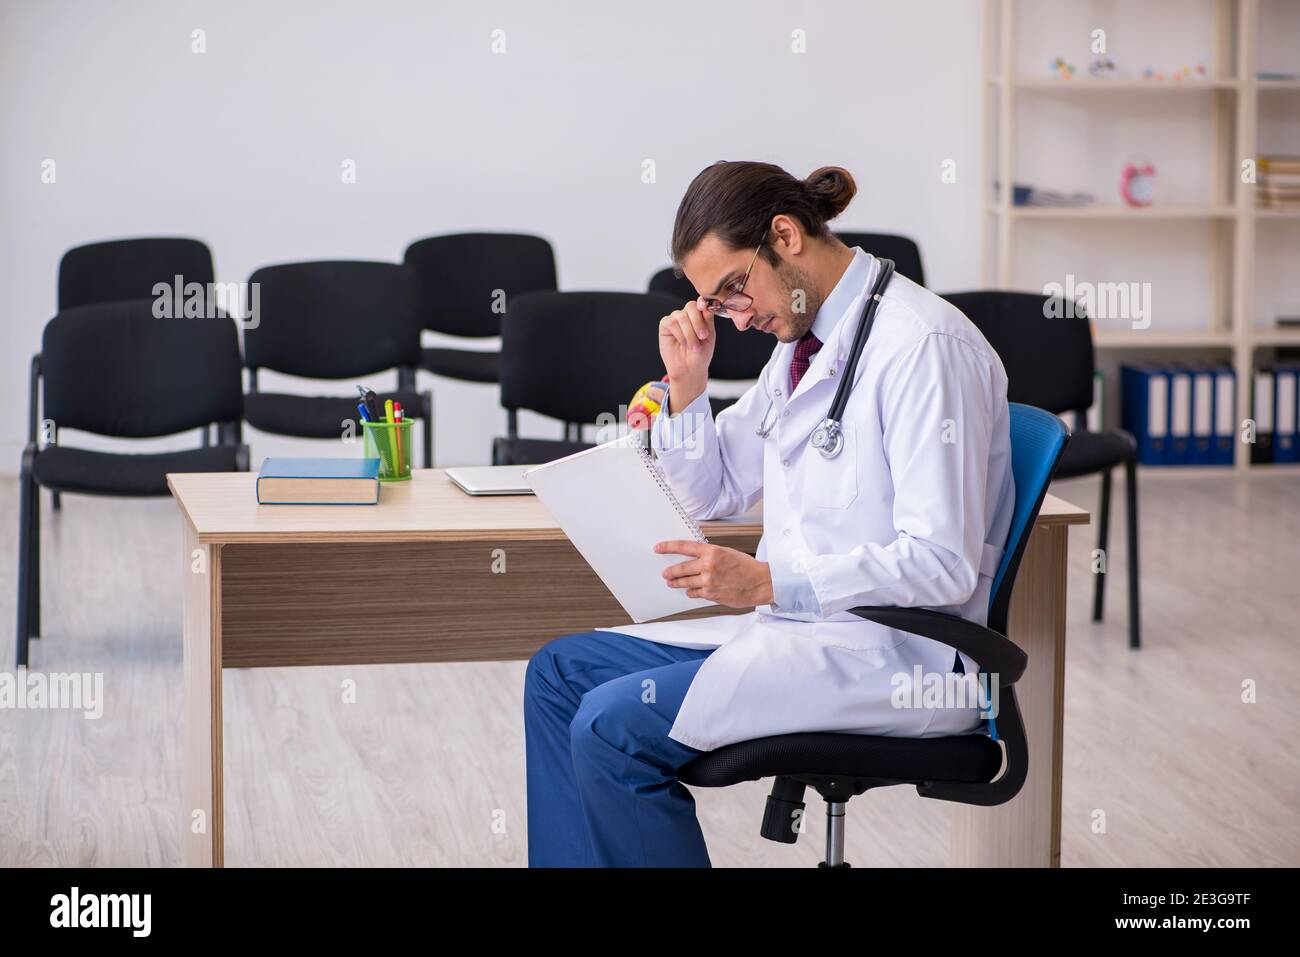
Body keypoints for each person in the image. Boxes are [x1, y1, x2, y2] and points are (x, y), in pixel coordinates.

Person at [523, 161, 1015, 867]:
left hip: (896, 657)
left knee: (610, 726)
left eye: (733, 288)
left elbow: (940, 562)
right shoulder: (803, 350)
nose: (740, 315)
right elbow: (713, 492)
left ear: (784, 236)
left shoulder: (922, 347)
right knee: (559, 673)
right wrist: (690, 388)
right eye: (718, 302)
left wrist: (768, 582)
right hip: (804, 636)